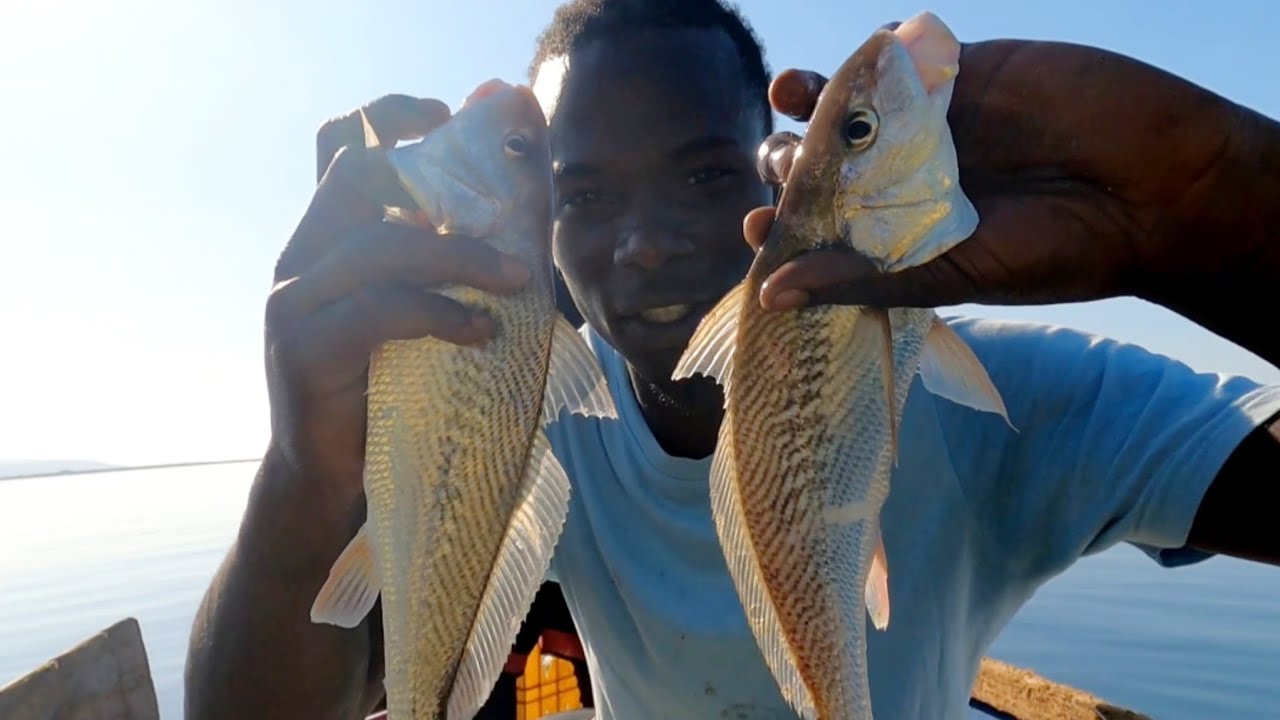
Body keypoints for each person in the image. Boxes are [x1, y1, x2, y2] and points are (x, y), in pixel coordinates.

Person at [183, 1, 1280, 718]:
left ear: (774, 183)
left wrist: (1231, 212)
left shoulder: (1011, 398)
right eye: (580, 194)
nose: (646, 241)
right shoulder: (527, 424)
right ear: (544, 238)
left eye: (705, 177)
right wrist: (302, 477)